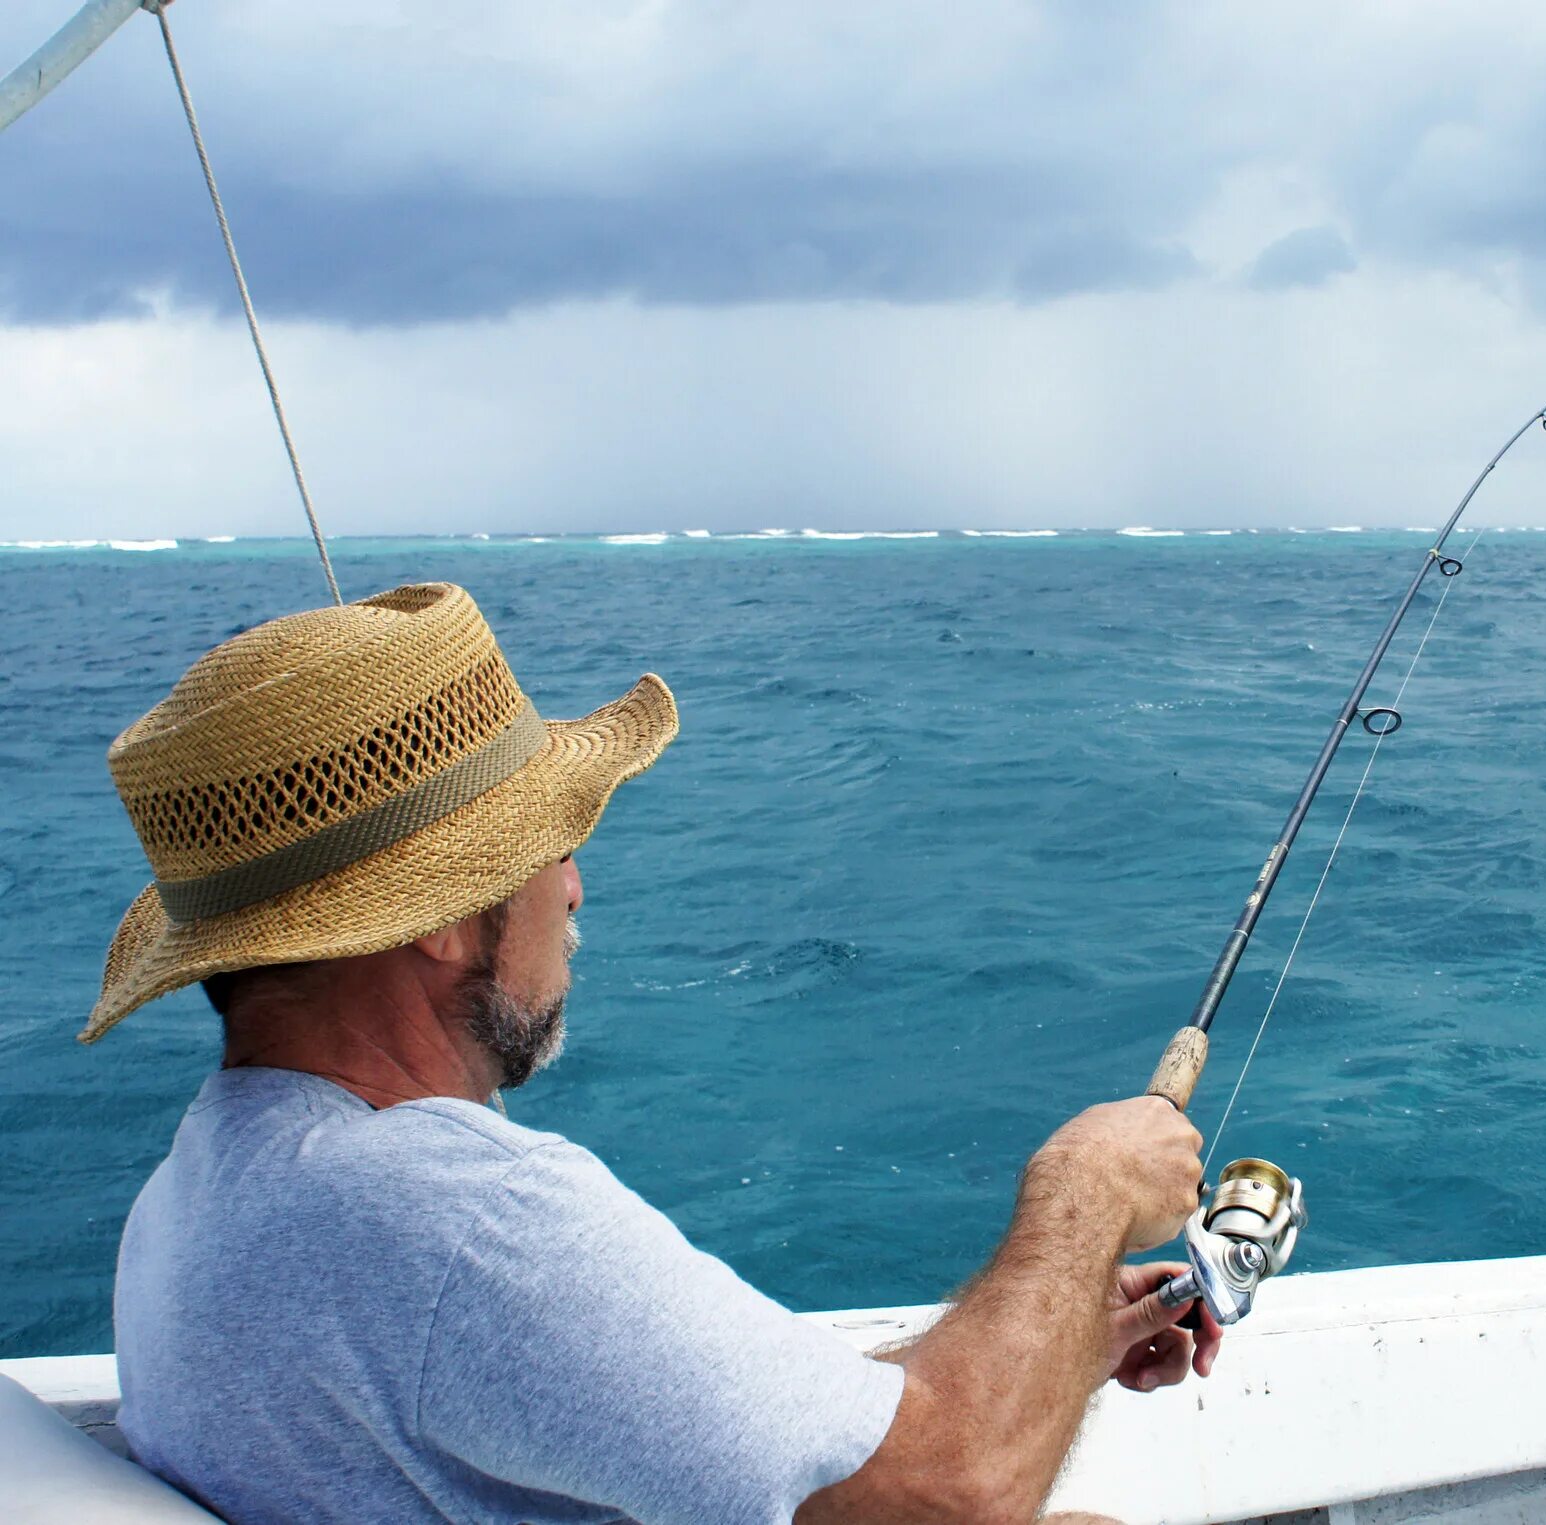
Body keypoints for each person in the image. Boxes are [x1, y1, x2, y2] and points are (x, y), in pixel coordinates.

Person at [87, 582, 1215, 1525]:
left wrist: (1060, 1332)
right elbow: (949, 1495)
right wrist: (1080, 1199)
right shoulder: (459, 1220)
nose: (575, 888)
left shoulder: (197, 1192)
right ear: (447, 916)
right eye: (555, 842)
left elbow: (721, 1439)